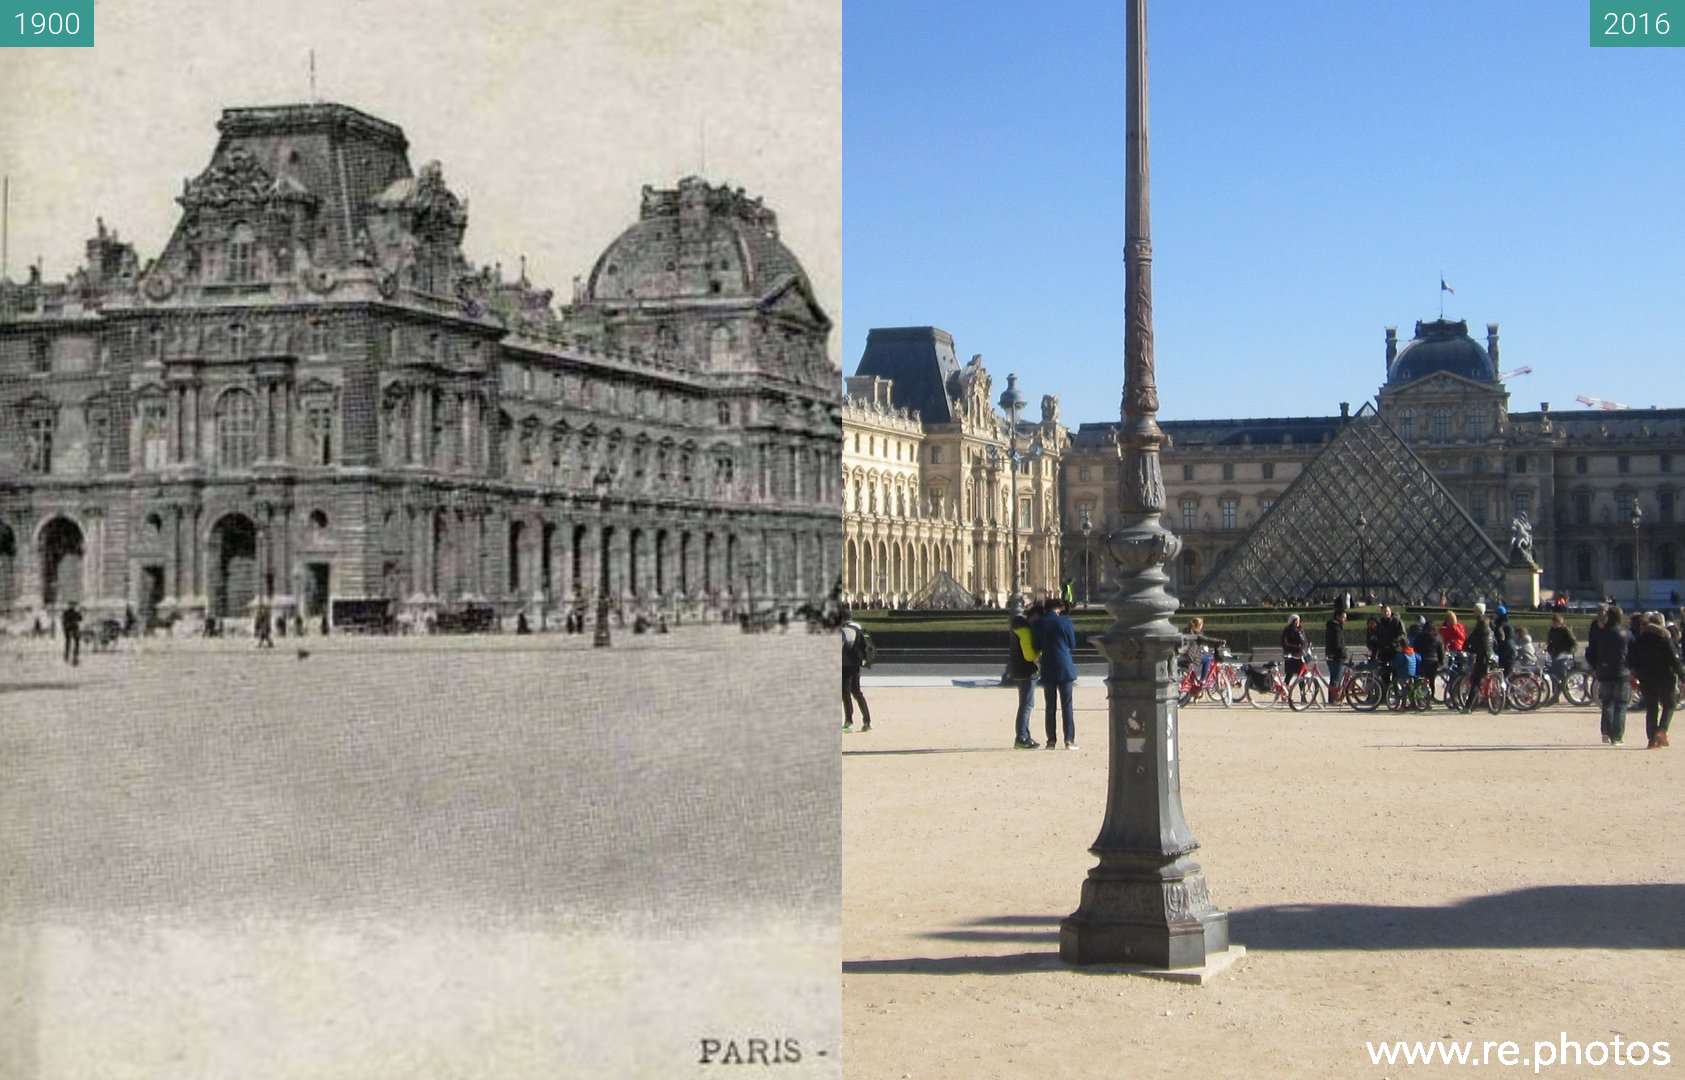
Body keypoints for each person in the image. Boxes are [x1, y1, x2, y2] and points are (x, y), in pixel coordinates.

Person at [1631, 611, 1685, 749]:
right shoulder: (1665, 638)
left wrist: (1636, 674)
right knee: (1670, 705)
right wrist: (1683, 676)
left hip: (1646, 679)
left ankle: (1651, 738)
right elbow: (1674, 660)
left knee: (1651, 707)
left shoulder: (1640, 639)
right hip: (1665, 678)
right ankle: (1662, 730)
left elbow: (1633, 660)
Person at [1034, 597, 1078, 750]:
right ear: (1059, 608)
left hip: (1048, 666)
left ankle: (1051, 740)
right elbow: (1072, 644)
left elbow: (1036, 645)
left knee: (1050, 706)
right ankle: (1069, 740)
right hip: (1064, 666)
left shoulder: (1039, 623)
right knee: (1067, 705)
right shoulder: (1065, 622)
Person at [1585, 604, 1631, 744]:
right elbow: (1632, 652)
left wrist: (1596, 666)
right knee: (1621, 704)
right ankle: (1617, 736)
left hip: (1604, 671)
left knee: (1607, 703)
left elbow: (1591, 650)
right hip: (1621, 672)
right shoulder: (1624, 633)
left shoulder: (1600, 633)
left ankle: (1606, 732)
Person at [1006, 607, 1042, 749]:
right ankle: (1021, 737)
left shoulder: (1018, 630)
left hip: (1018, 670)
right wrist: (1039, 653)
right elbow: (1029, 656)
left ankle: (1025, 735)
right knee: (1027, 705)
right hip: (1027, 671)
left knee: (1025, 704)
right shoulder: (1025, 631)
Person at [839, 606, 871, 733]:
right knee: (857, 693)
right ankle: (867, 721)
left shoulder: (844, 630)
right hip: (856, 665)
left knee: (845, 693)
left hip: (845, 665)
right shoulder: (858, 629)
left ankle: (849, 721)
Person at [1461, 610, 1493, 712]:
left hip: (1482, 658)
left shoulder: (1477, 632)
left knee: (1476, 682)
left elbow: (1466, 644)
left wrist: (1471, 650)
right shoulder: (1490, 632)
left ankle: (1468, 707)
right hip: (1492, 657)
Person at [1545, 613, 1577, 688]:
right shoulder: (1552, 630)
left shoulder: (1565, 630)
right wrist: (1548, 649)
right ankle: (1556, 691)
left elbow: (1574, 643)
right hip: (1554, 654)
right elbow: (1549, 642)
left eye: (1555, 622)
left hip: (1563, 653)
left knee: (1558, 671)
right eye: (1553, 622)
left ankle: (1564, 687)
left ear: (1559, 622)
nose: (1553, 624)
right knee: (1553, 672)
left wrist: (1570, 651)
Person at [1324, 608, 1349, 702]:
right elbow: (1338, 644)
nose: (1345, 620)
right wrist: (1344, 653)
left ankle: (1332, 698)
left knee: (1333, 678)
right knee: (1336, 678)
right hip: (1337, 656)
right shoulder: (1336, 628)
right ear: (1338, 617)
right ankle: (1333, 699)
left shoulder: (1331, 627)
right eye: (1343, 617)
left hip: (1330, 655)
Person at [1280, 614, 1308, 680]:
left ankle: (1302, 690)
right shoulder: (1288, 630)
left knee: (1301, 673)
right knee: (1290, 673)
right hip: (1292, 655)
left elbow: (1304, 640)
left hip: (1300, 655)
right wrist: (1296, 647)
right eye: (1297, 620)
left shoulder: (1300, 629)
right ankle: (1285, 687)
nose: (1298, 622)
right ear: (1293, 621)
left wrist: (1306, 645)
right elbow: (1284, 643)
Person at [1492, 604, 1516, 676]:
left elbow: (1499, 638)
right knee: (1506, 672)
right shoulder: (1507, 624)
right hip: (1510, 648)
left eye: (1495, 614)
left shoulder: (1499, 625)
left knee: (1501, 672)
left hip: (1504, 649)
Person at [61, 602, 83, 666]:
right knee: (71, 642)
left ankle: (71, 655)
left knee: (72, 642)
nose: (72, 606)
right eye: (71, 605)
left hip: (72, 628)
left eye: (73, 605)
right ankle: (70, 655)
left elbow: (80, 619)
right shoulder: (68, 612)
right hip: (70, 628)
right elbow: (80, 619)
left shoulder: (71, 612)